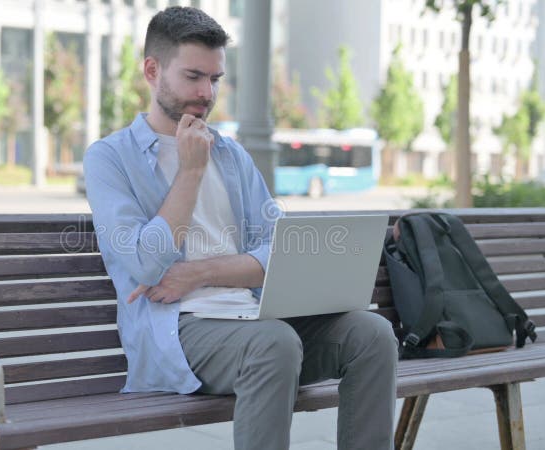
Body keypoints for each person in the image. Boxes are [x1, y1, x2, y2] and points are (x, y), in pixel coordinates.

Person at [84, 6, 397, 449]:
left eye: (215, 79)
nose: (206, 93)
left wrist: (203, 271)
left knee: (372, 334)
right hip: (178, 329)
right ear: (152, 70)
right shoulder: (110, 158)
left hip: (253, 317)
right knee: (273, 343)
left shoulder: (231, 156)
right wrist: (189, 172)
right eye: (193, 76)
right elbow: (145, 264)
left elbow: (280, 250)